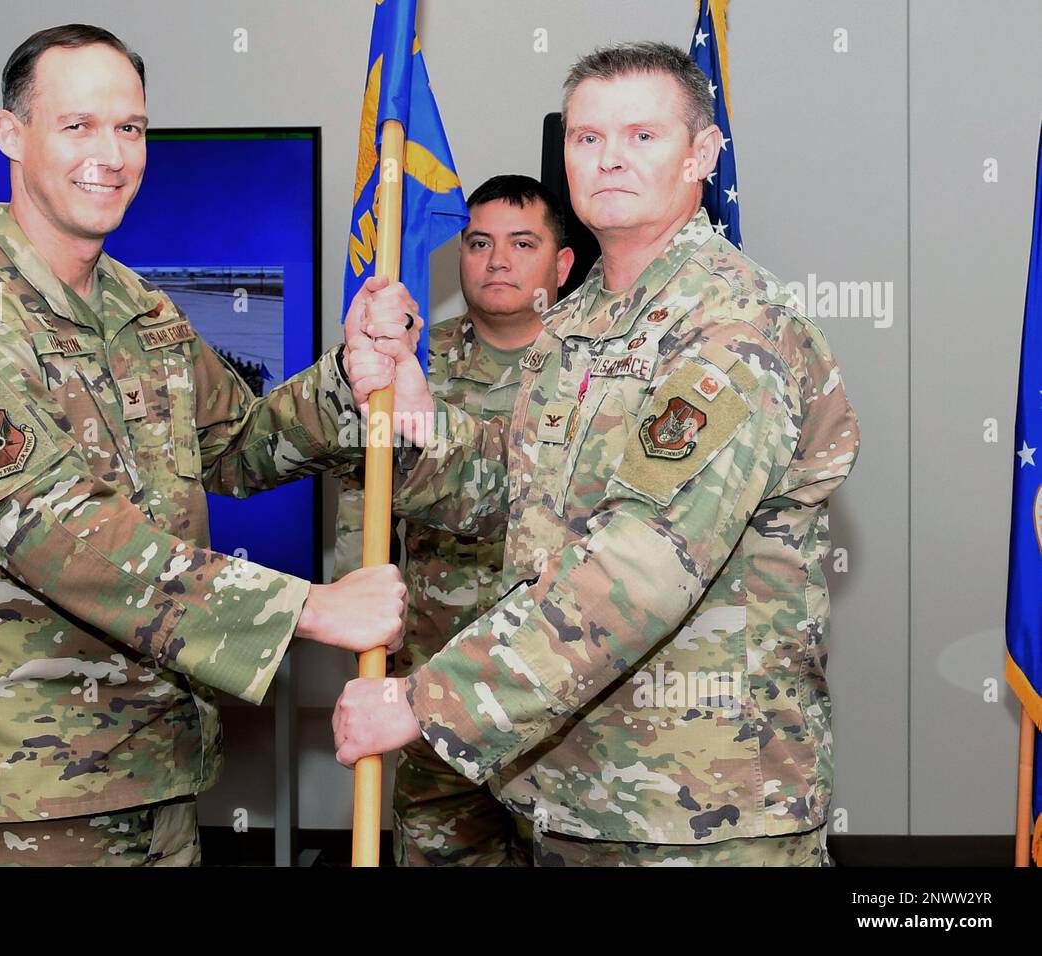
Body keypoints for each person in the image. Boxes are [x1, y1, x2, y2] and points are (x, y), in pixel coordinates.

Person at [0, 23, 414, 867]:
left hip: (161, 775)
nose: (111, 155)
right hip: (28, 800)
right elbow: (63, 539)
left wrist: (349, 375)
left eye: (131, 128)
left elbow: (240, 443)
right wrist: (310, 607)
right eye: (78, 126)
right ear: (11, 134)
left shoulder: (142, 310)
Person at [333, 41, 861, 866]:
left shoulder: (730, 326)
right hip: (581, 794)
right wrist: (417, 419)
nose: (610, 158)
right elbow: (517, 497)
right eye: (586, 138)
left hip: (704, 814)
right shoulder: (577, 325)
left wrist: (429, 699)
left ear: (702, 154)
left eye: (642, 136)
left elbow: (640, 565)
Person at [333, 174, 573, 866]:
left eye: (521, 243)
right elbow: (364, 502)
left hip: (560, 705)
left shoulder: (595, 371)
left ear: (560, 266)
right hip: (432, 693)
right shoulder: (411, 366)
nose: (497, 261)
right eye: (479, 243)